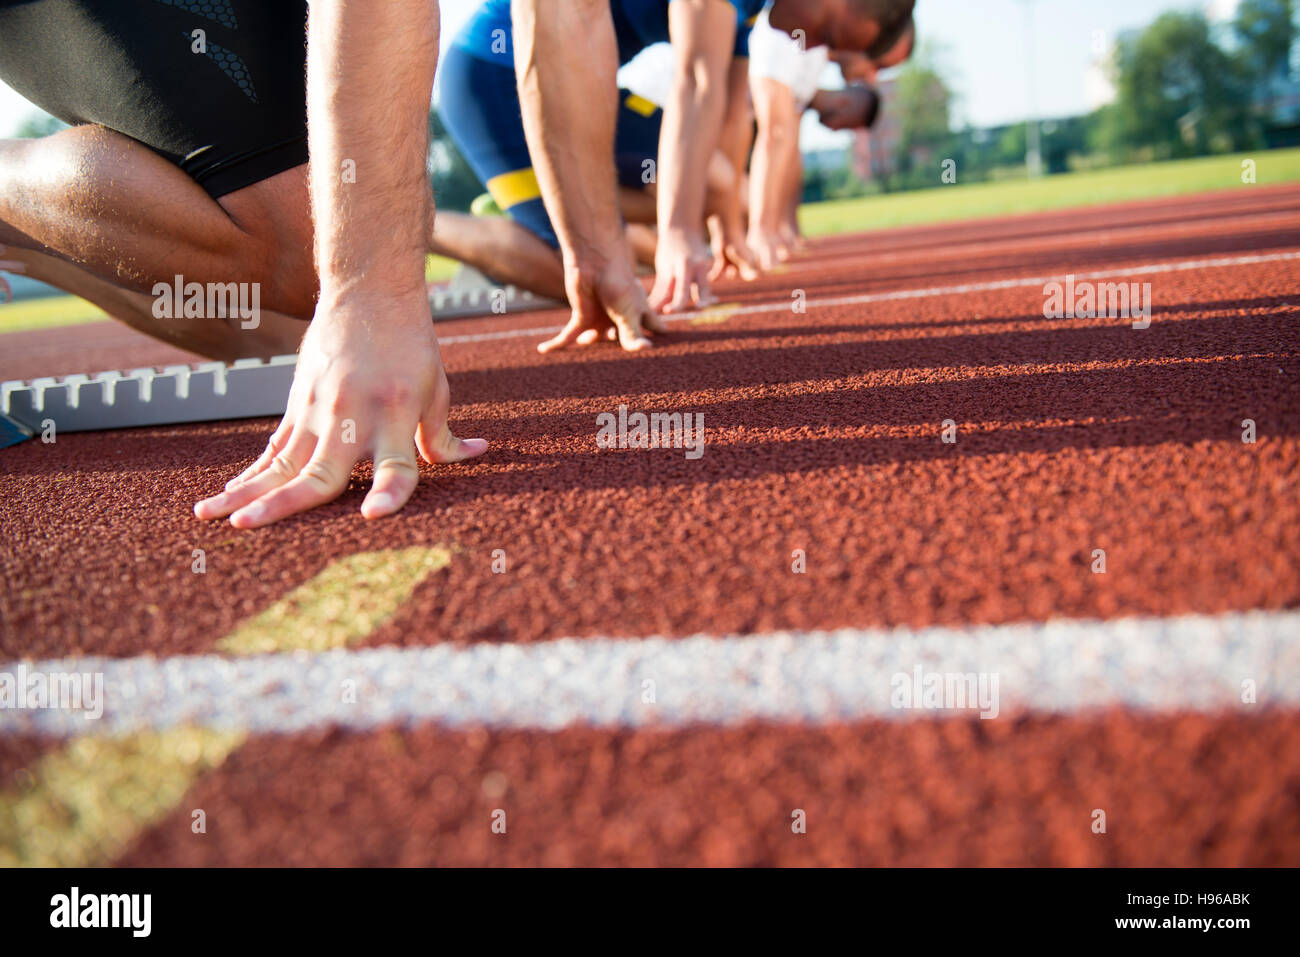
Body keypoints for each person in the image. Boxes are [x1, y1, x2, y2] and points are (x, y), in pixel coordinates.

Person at [748, 9, 914, 267]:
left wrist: (784, 227)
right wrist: (762, 230)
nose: (872, 77)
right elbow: (776, 134)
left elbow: (788, 147)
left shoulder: (810, 56)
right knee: (734, 190)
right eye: (876, 60)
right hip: (667, 121)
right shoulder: (792, 38)